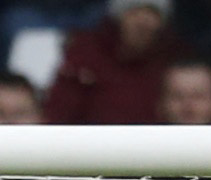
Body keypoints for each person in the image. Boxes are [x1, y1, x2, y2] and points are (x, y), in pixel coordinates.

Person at [43, 0, 193, 124]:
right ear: (119, 17)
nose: (143, 21)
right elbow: (59, 113)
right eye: (134, 11)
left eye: (152, 13)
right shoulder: (86, 54)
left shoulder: (176, 57)